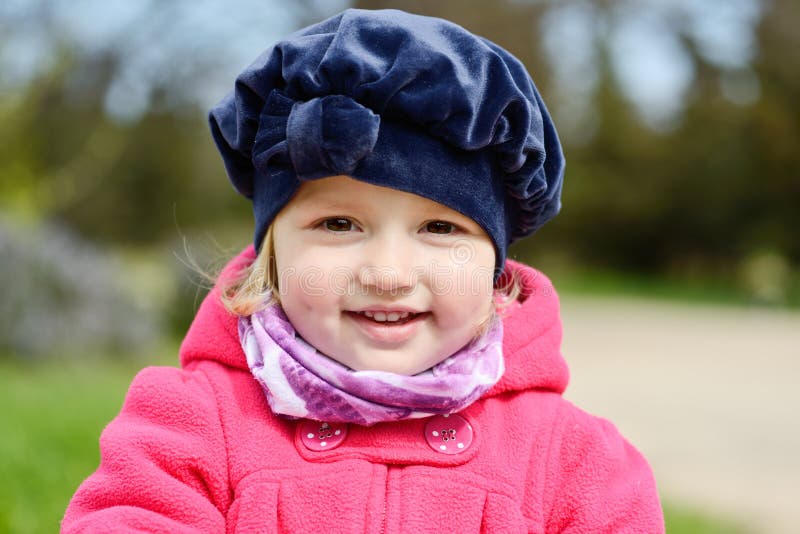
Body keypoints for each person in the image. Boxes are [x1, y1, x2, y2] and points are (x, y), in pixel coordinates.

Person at [63, 8, 664, 533]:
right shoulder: (190, 424)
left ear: (496, 267)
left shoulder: (575, 461)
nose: (387, 273)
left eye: (441, 228)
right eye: (339, 225)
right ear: (274, 252)